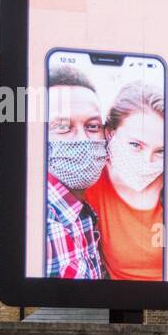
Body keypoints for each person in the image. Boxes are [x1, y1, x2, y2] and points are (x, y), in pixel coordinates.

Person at [86, 82, 166, 281]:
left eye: (160, 151)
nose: (147, 161)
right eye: (136, 145)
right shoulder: (89, 184)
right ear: (110, 133)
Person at [44, 65, 108, 279]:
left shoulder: (83, 214)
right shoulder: (45, 223)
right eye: (62, 127)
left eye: (92, 126)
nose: (81, 139)